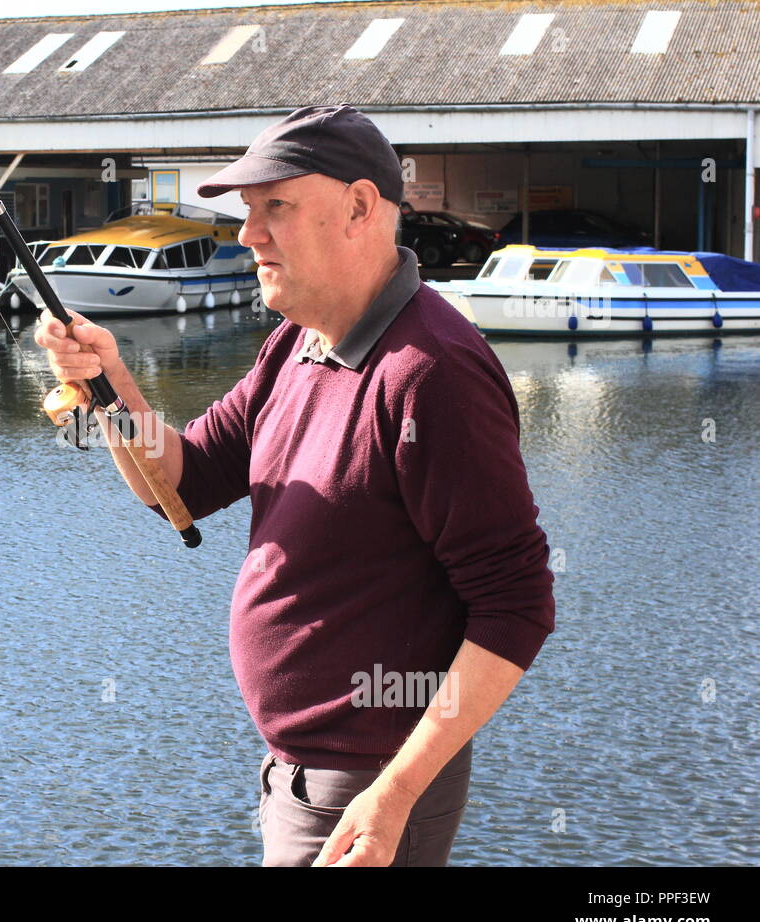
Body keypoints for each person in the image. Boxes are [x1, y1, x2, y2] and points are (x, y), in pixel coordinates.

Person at [33, 105, 555, 867]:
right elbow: (183, 480)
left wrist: (396, 795)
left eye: (275, 206)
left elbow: (517, 605)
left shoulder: (431, 374)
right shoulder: (297, 346)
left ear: (358, 208)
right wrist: (110, 382)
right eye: (249, 211)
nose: (249, 234)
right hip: (304, 777)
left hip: (369, 790)